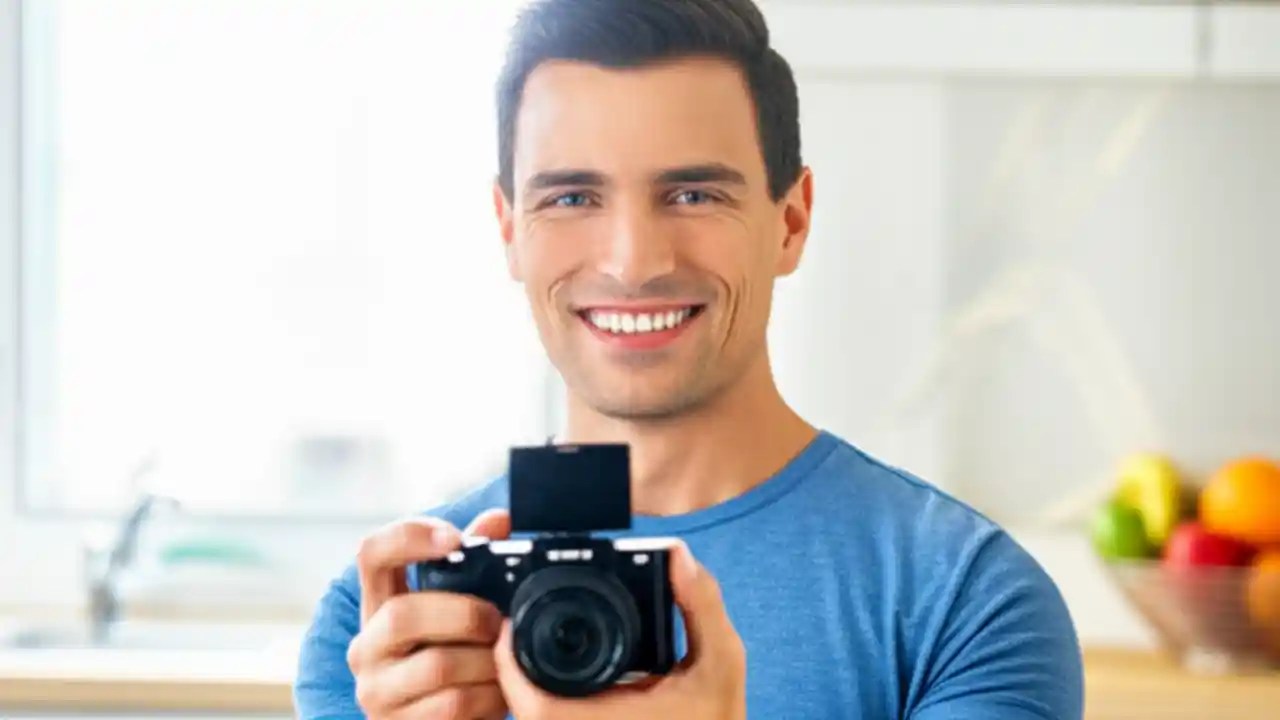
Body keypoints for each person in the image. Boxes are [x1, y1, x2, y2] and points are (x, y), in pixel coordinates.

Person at [293, 0, 1085, 718]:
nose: (634, 262)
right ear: (509, 228)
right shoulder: (391, 635)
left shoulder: (968, 603)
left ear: (791, 221)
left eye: (694, 194)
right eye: (572, 197)